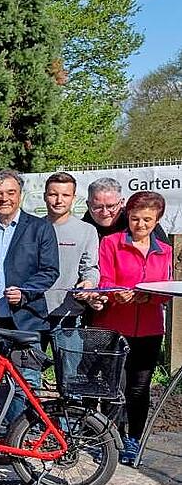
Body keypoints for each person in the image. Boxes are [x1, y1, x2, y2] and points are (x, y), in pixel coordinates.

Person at [0, 170, 59, 464]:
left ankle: (12, 442)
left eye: (9, 192)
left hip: (24, 321)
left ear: (20, 194)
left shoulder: (39, 229)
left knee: (23, 384)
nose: (3, 198)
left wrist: (25, 292)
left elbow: (49, 270)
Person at [93, 191, 173, 465]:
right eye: (136, 219)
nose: (141, 225)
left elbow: (167, 289)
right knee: (114, 387)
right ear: (128, 215)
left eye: (148, 220)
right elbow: (104, 279)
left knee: (139, 389)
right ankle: (109, 438)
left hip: (149, 329)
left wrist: (151, 297)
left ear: (157, 220)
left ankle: (133, 439)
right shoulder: (111, 243)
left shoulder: (165, 251)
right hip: (115, 325)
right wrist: (117, 293)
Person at [43, 172, 100, 331]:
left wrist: (89, 284)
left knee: (69, 358)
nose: (59, 200)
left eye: (65, 195)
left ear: (73, 198)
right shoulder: (31, 228)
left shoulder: (87, 230)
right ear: (45, 196)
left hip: (69, 314)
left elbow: (90, 268)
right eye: (53, 194)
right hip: (33, 314)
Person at [83, 177, 168, 244]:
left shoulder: (138, 221)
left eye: (111, 206)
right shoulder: (81, 229)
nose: (105, 212)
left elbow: (163, 253)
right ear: (88, 204)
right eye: (97, 207)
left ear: (122, 203)